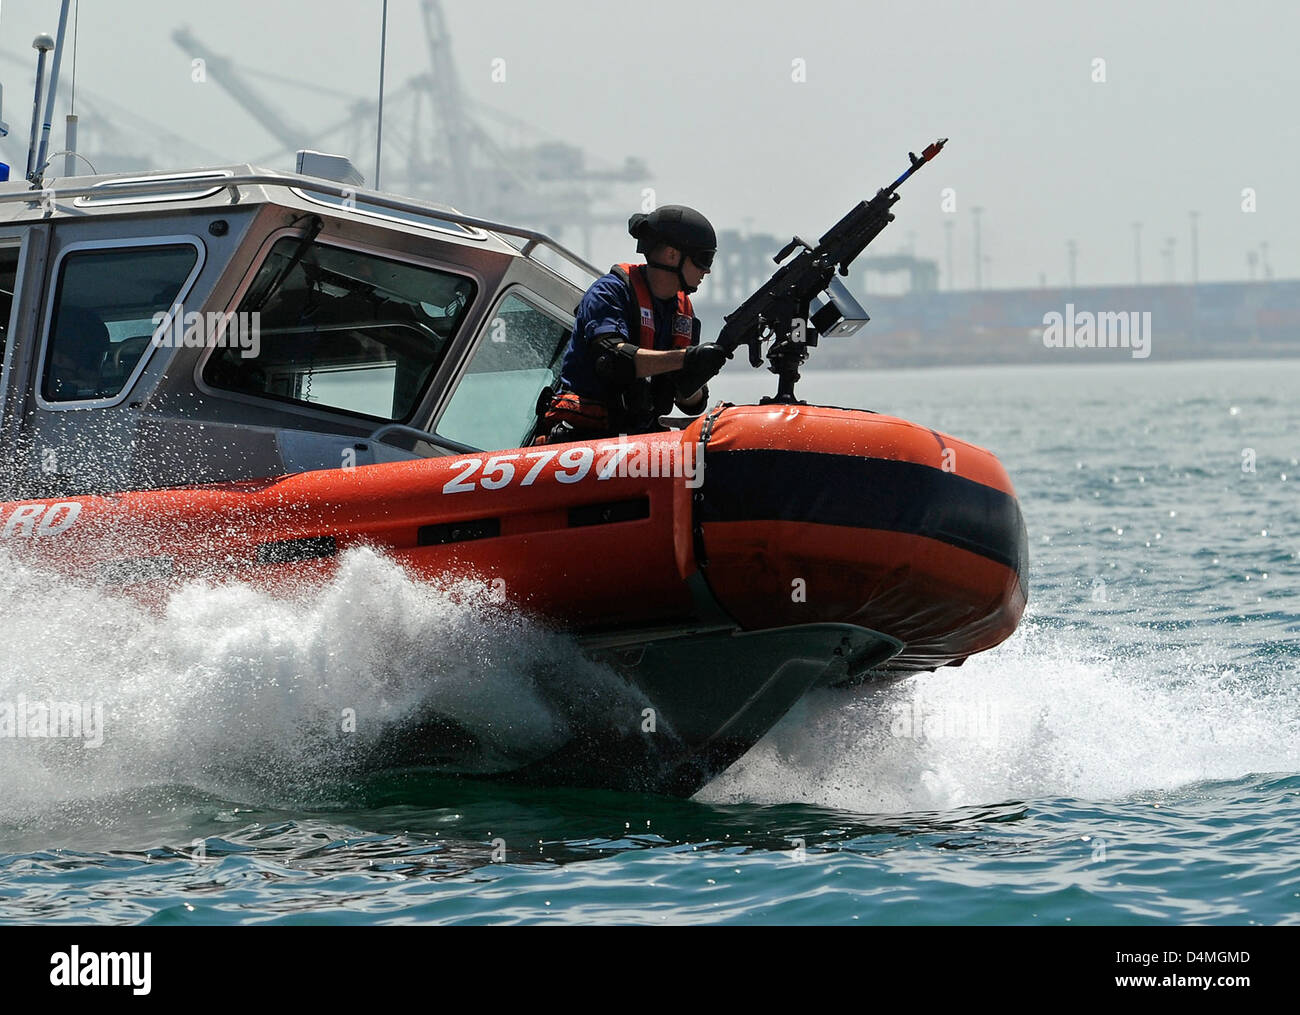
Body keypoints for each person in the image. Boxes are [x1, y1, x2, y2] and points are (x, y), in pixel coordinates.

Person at [539, 205, 729, 442]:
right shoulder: (610, 292)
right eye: (703, 259)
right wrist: (686, 359)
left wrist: (699, 371)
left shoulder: (682, 313)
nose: (707, 270)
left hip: (638, 442)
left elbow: (690, 403)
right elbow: (615, 361)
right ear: (672, 255)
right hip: (584, 439)